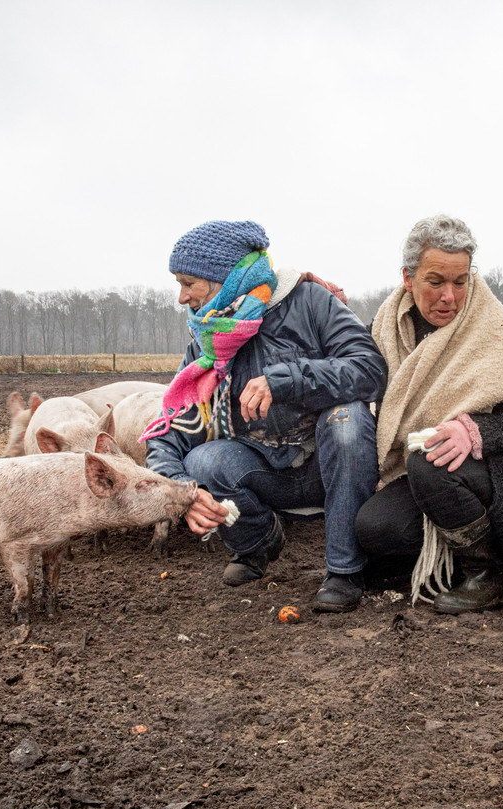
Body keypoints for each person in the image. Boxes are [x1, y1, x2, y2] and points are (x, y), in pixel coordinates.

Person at [142, 220, 387, 610]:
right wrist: (180, 491)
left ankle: (345, 571)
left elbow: (370, 368)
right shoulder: (210, 340)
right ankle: (257, 542)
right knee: (202, 459)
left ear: (226, 277)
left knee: (348, 419)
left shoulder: (310, 302)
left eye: (189, 283)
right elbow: (170, 429)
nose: (182, 297)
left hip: (326, 463)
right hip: (265, 468)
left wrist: (288, 379)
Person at [355, 215, 503, 614]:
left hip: (499, 473)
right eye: (436, 282)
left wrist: (474, 431)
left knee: (430, 460)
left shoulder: (502, 334)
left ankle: (492, 571)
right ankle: (444, 566)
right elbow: (341, 357)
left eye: (461, 281)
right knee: (373, 529)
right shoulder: (385, 330)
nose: (449, 295)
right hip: (425, 475)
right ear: (408, 278)